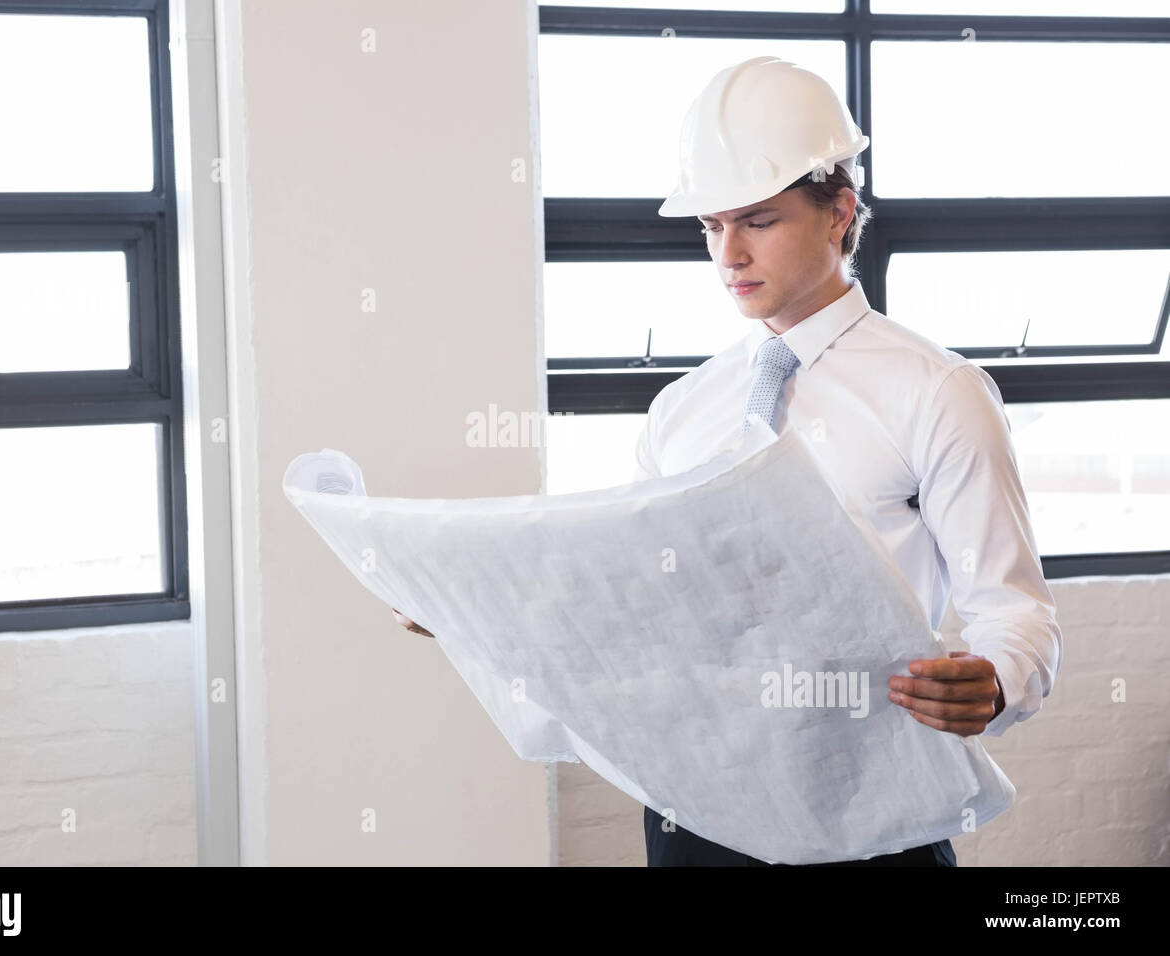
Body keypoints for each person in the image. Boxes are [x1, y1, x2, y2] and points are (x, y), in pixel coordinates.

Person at [397, 56, 1062, 868]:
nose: (729, 253)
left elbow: (1017, 609)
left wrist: (992, 679)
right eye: (711, 226)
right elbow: (627, 604)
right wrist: (479, 609)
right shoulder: (683, 410)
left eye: (758, 219)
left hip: (872, 821)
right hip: (695, 824)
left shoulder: (937, 392)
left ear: (838, 214)